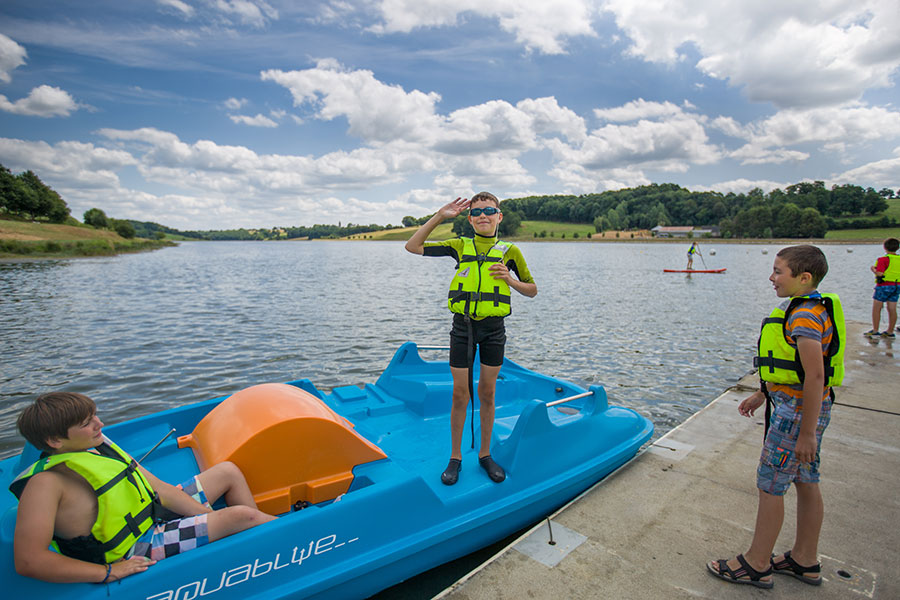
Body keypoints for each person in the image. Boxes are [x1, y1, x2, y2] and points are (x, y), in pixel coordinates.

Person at [10, 392, 276, 584]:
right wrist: (107, 572)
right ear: (55, 441)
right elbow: (29, 560)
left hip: (149, 512)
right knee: (242, 516)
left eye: (94, 416)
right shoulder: (45, 484)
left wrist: (208, 517)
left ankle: (263, 541)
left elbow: (160, 489)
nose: (99, 424)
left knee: (227, 472)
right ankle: (281, 538)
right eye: (86, 423)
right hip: (133, 548)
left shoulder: (97, 448)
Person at [707, 245, 845, 589]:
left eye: (778, 271)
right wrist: (762, 393)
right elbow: (793, 370)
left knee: (771, 484)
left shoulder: (804, 316)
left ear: (804, 277)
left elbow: (815, 375)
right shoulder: (810, 308)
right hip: (803, 407)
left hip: (797, 414)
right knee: (806, 479)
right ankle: (804, 559)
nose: (772, 277)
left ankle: (756, 563)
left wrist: (806, 433)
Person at [404, 192, 537, 485]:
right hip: (463, 328)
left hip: (493, 330)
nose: (483, 216)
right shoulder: (459, 245)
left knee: (487, 392)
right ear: (470, 219)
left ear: (499, 216)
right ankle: (455, 458)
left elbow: (532, 289)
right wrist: (440, 216)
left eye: (489, 211)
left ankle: (485, 455)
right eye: (476, 212)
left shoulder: (510, 251)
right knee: (460, 394)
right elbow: (412, 246)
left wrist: (510, 280)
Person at [864, 237, 899, 338]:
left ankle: (875, 330)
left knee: (877, 308)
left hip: (883, 285)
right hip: (897, 285)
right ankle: (890, 331)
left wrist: (873, 269)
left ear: (885, 247)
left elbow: (880, 273)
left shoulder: (883, 259)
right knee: (892, 308)